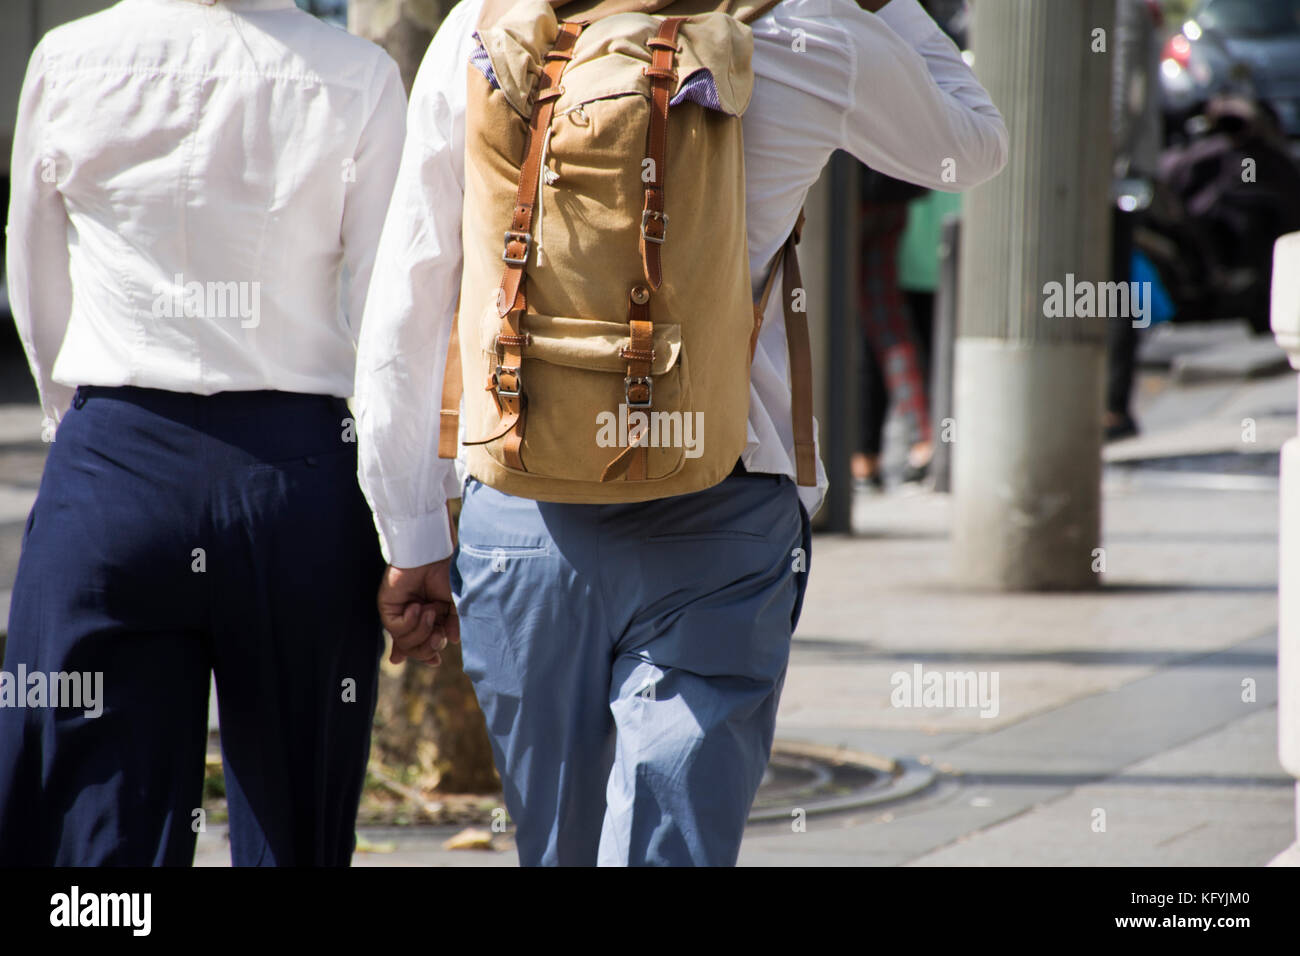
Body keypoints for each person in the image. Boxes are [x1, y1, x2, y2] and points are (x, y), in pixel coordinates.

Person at [356, 0, 1007, 866]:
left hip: (522, 517)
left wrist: (411, 531)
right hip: (721, 506)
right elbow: (975, 143)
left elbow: (409, 293)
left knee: (555, 847)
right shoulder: (810, 31)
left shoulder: (486, 25)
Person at [0, 0, 405, 866]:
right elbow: (389, 328)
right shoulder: (359, 74)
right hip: (300, 478)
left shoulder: (69, 57)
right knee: (298, 826)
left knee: (99, 839)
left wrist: (87, 435)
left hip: (113, 466)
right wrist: (415, 528)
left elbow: (35, 289)